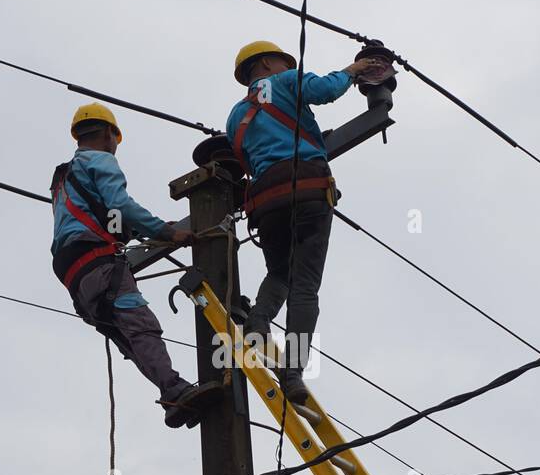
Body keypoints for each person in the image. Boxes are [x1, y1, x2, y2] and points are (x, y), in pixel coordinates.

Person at [227, 42, 382, 404]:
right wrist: (354, 70)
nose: (288, 64)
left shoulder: (235, 115)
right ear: (267, 62)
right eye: (284, 60)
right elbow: (324, 90)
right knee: (304, 287)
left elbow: (245, 158)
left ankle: (258, 321)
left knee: (281, 272)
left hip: (266, 200)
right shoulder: (285, 81)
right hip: (307, 188)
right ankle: (293, 370)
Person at [52, 102, 219, 428]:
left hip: (75, 277)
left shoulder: (62, 178)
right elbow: (120, 206)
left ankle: (173, 395)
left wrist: (150, 231)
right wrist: (167, 232)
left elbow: (103, 219)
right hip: (100, 265)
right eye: (115, 138)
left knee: (131, 340)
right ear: (107, 134)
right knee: (142, 328)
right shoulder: (101, 160)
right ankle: (173, 388)